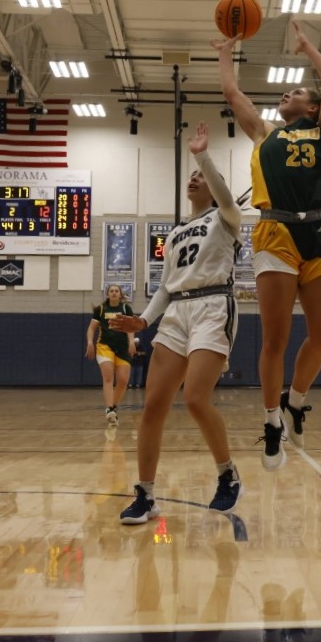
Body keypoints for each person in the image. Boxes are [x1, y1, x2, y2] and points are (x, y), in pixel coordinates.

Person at [214, 19, 321, 469]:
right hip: (274, 232)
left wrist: (307, 45)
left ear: (311, 107)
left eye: (295, 93)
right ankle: (271, 421)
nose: (286, 95)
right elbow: (234, 96)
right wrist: (226, 55)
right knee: (277, 339)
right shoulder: (265, 133)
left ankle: (294, 399)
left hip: (318, 232)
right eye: (285, 94)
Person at [110, 123, 244, 524]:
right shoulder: (173, 234)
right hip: (176, 313)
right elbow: (166, 287)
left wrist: (202, 155)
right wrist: (143, 321)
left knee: (197, 397)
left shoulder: (227, 216)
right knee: (153, 407)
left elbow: (222, 192)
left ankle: (227, 474)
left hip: (214, 306)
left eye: (201, 176)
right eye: (192, 174)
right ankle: (146, 495)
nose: (194, 178)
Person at [86, 284, 136, 425]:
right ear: (107, 294)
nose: (114, 293)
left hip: (122, 348)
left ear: (120, 294)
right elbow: (91, 329)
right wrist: (90, 342)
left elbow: (131, 327)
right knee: (108, 377)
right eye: (111, 291)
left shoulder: (126, 309)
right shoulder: (100, 309)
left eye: (116, 291)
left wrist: (131, 342)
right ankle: (109, 408)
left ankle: (112, 407)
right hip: (105, 346)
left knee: (123, 381)